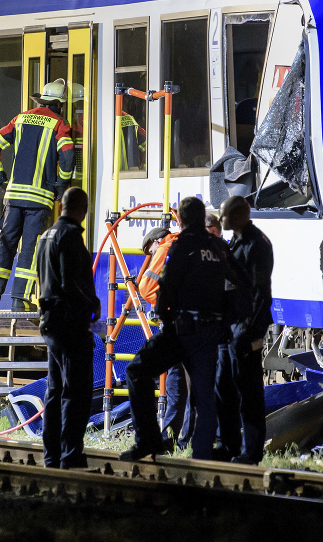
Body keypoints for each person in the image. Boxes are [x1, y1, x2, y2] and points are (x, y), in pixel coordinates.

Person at [120, 197, 243, 462]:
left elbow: (165, 290)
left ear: (182, 220)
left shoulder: (181, 246)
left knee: (137, 372)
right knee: (205, 392)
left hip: (182, 329)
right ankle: (208, 452)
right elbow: (242, 284)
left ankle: (148, 441)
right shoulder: (219, 247)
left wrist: (166, 318)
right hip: (212, 332)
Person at [0, 79, 74, 312]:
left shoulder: (20, 119)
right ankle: (18, 301)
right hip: (40, 200)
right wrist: (61, 186)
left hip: (13, 199)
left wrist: (1, 180)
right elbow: (67, 157)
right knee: (30, 249)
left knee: (5, 245)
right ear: (60, 105)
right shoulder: (59, 124)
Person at [36, 187, 100, 469]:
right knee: (76, 391)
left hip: (50, 322)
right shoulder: (71, 237)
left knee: (54, 390)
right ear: (83, 209)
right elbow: (72, 283)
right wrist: (92, 303)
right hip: (69, 324)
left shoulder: (46, 236)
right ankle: (70, 454)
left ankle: (52, 454)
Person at [215, 195, 274, 465]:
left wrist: (250, 332)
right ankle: (229, 446)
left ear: (238, 215)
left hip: (246, 332)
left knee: (249, 394)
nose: (219, 219)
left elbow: (260, 293)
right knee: (224, 389)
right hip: (230, 329)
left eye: (223, 215)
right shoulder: (237, 240)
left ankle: (251, 453)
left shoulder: (256, 245)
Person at [138, 226, 192, 451]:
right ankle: (179, 441)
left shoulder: (166, 246)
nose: (150, 255)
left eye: (150, 250)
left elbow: (146, 288)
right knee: (187, 384)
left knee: (178, 384)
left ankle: (174, 440)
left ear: (156, 240)